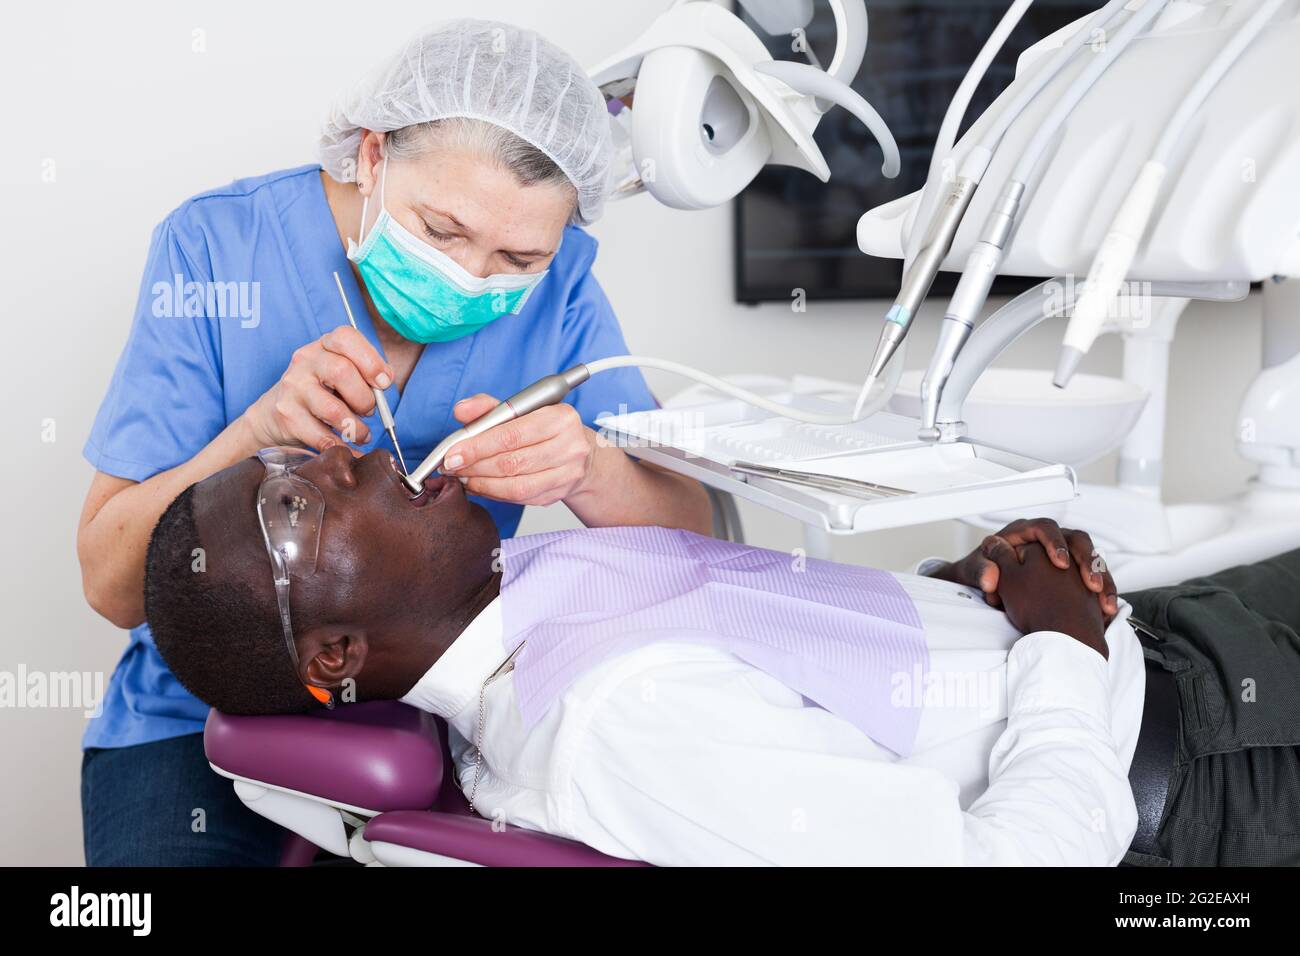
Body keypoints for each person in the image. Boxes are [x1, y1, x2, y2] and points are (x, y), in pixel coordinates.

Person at [75, 19, 713, 866]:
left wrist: (589, 472)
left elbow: (695, 545)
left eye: (516, 255)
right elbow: (113, 588)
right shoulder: (218, 248)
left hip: (448, 716)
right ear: (371, 156)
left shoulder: (562, 290)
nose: (471, 277)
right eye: (442, 232)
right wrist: (258, 429)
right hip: (189, 724)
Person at [138, 445, 1219, 866]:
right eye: (297, 503)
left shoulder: (534, 589)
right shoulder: (620, 722)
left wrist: (969, 585)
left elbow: (797, 658)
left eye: (303, 458)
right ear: (336, 650)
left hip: (1144, 650)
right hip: (1196, 761)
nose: (355, 458)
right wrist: (1062, 642)